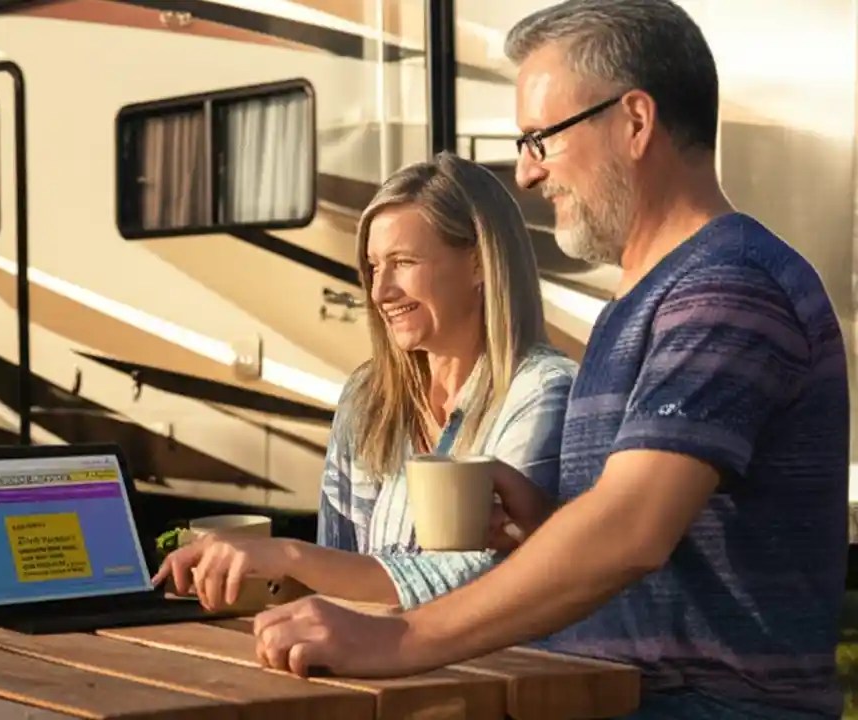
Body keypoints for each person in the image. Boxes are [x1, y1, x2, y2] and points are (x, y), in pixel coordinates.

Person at [248, 1, 850, 718]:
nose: (527, 173)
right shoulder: (647, 300)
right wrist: (542, 524)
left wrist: (400, 637)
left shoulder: (726, 289)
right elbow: (657, 538)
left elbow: (631, 531)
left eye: (541, 139)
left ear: (634, 122)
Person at [153, 152, 577, 613]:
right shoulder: (369, 397)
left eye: (403, 262)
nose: (380, 291)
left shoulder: (541, 392)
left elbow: (489, 580)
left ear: (479, 264)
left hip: (492, 661)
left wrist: (290, 555)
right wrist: (249, 573)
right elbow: (338, 573)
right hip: (375, 656)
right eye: (374, 266)